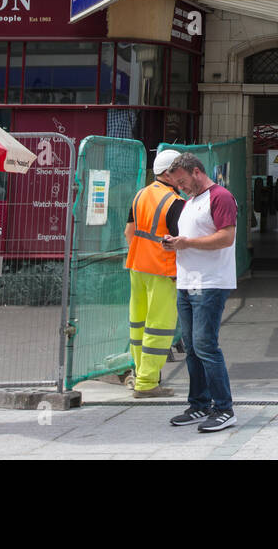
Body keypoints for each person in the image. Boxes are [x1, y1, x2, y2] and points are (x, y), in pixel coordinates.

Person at [163, 153, 239, 433]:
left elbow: (226, 237)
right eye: (177, 184)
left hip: (210, 282)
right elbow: (192, 240)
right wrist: (175, 243)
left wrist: (187, 243)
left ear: (196, 172)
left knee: (205, 344)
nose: (181, 188)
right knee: (193, 347)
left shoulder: (220, 197)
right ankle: (199, 404)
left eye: (182, 181)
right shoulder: (191, 202)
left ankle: (223, 408)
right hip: (188, 281)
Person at [122, 148, 185, 398]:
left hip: (137, 266)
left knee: (138, 323)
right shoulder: (174, 202)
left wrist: (141, 254)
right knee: (159, 325)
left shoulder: (141, 194)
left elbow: (129, 232)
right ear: (170, 173)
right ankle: (148, 383)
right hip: (162, 269)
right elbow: (180, 241)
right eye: (180, 171)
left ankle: (140, 374)